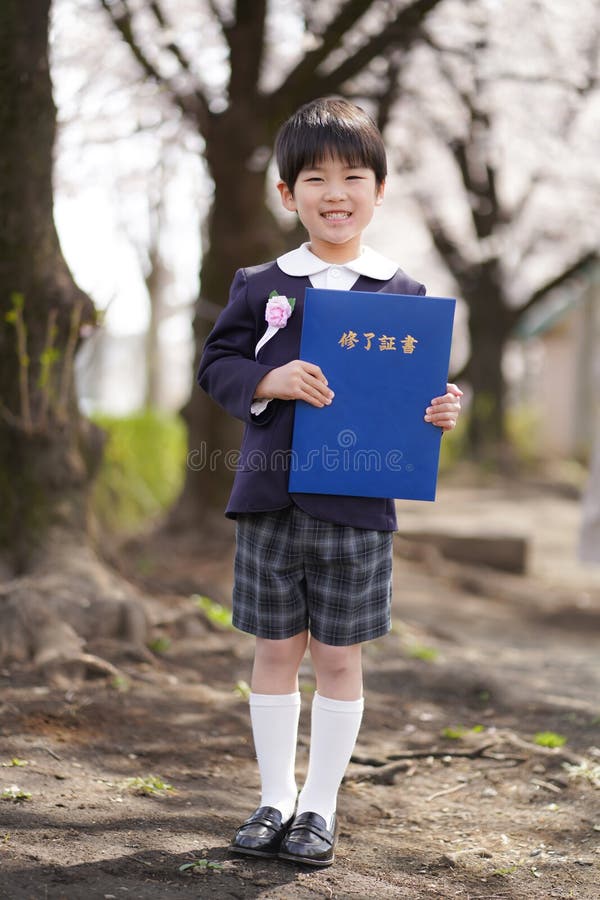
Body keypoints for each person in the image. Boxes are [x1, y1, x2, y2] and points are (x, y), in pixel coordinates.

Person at [197, 97, 462, 868]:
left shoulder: (404, 296)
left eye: (353, 176)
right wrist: (268, 378)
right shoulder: (261, 282)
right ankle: (274, 795)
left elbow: (419, 394)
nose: (335, 191)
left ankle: (319, 806)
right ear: (288, 194)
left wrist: (442, 410)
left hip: (357, 506)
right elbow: (217, 365)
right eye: (316, 177)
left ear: (380, 190)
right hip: (270, 498)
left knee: (340, 658)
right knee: (274, 649)